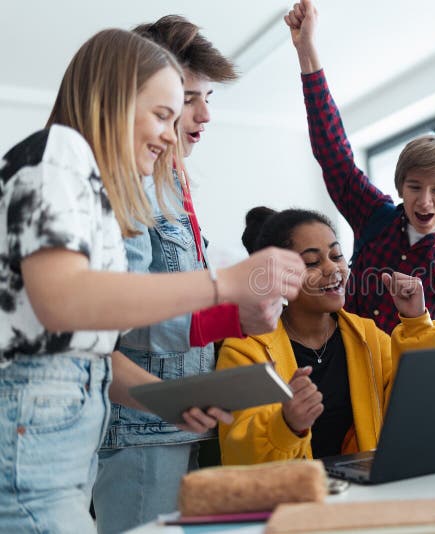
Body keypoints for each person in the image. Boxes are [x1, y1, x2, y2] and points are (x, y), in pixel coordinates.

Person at [0, 29, 303, 533]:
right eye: (163, 114)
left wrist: (167, 399)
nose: (170, 134)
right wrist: (224, 285)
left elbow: (85, 347)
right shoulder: (59, 155)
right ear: (113, 101)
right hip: (33, 452)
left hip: (59, 451)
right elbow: (64, 301)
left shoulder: (87, 191)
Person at [92, 16, 268, 533]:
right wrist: (233, 314)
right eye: (190, 97)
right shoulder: (129, 184)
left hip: (173, 424)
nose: (204, 114)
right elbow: (125, 313)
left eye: (206, 97)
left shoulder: (171, 182)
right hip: (141, 428)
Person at [284, 0, 435, 344]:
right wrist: (306, 49)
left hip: (413, 378)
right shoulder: (375, 216)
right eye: (415, 186)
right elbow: (333, 152)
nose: (425, 200)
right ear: (400, 187)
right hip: (350, 367)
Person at [217, 207, 435, 464]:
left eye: (337, 255)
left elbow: (430, 405)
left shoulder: (368, 337)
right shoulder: (243, 350)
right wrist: (286, 425)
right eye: (311, 262)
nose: (333, 268)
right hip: (292, 498)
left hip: (366, 491)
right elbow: (237, 454)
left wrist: (417, 321)